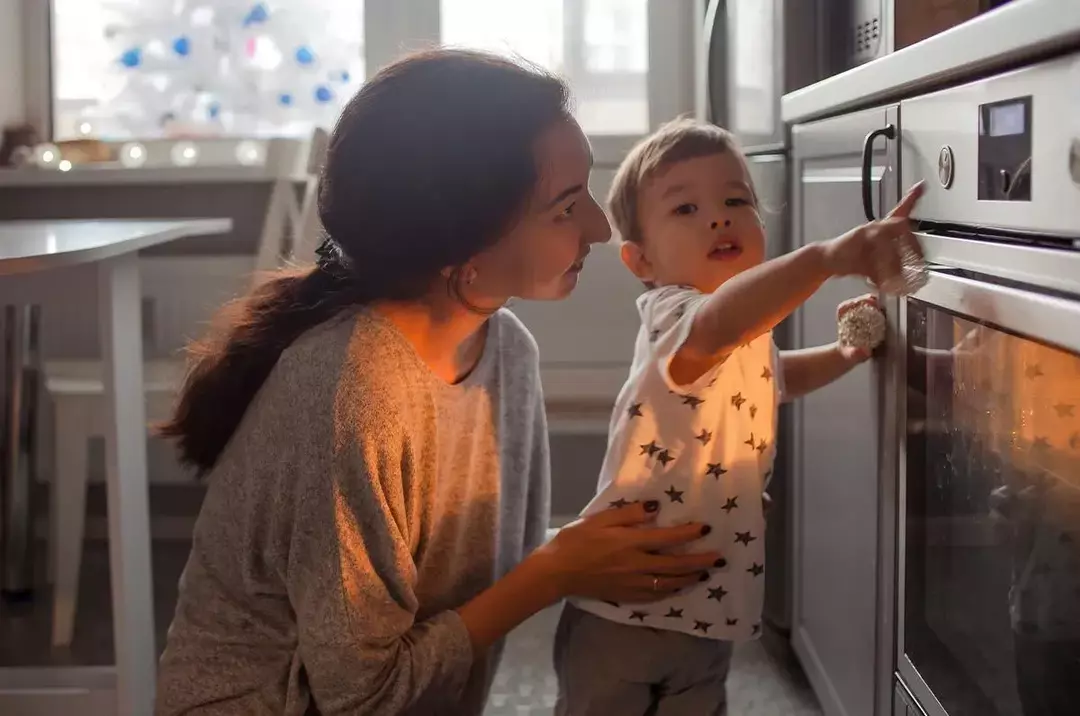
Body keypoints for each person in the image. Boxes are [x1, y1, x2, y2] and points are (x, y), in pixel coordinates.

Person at [153, 51, 728, 716]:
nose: (601, 227)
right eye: (566, 208)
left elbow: (485, 580)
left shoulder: (508, 351)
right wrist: (557, 569)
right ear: (468, 258)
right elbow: (363, 696)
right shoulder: (352, 393)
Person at [553, 118, 925, 715]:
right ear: (640, 260)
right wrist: (828, 257)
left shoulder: (743, 338)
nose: (719, 218)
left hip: (709, 608)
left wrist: (844, 354)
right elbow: (724, 319)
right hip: (624, 614)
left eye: (735, 200)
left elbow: (781, 377)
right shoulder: (676, 316)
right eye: (686, 209)